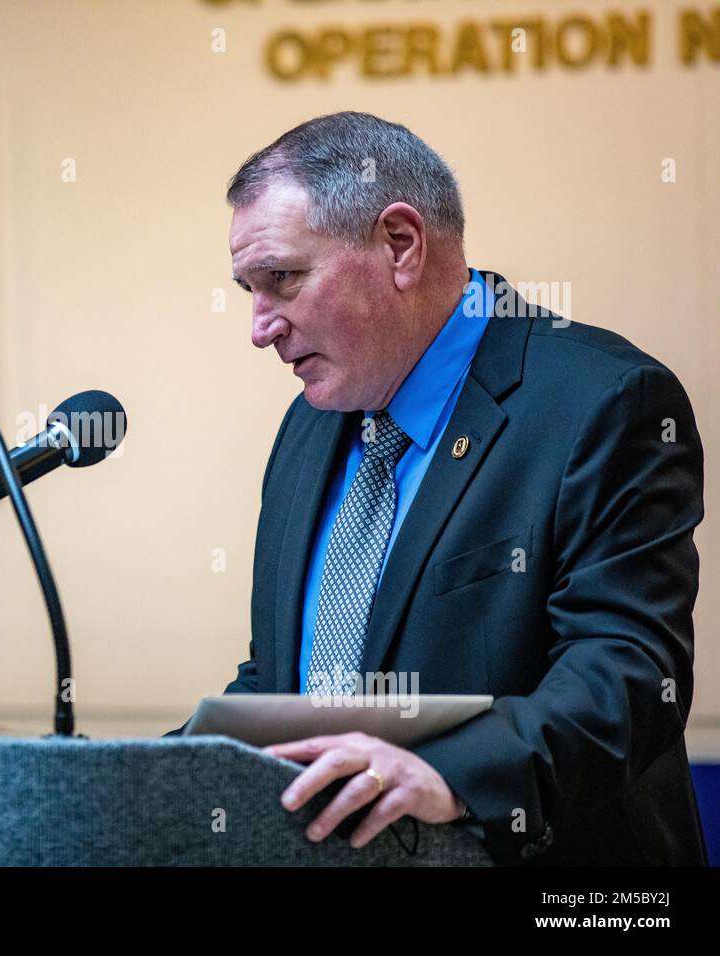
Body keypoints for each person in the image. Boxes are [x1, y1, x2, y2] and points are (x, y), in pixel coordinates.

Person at [167, 111, 707, 866]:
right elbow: (284, 676)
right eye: (247, 289)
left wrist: (447, 775)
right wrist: (149, 778)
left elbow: (626, 671)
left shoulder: (604, 402)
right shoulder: (308, 427)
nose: (260, 327)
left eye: (282, 278)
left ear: (400, 245)